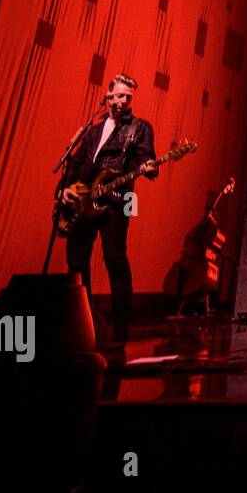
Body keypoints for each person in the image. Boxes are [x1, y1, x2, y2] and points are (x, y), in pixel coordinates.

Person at [60, 74, 158, 339]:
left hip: (119, 199)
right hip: (85, 198)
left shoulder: (140, 127)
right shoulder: (92, 130)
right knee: (77, 258)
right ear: (108, 96)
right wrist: (67, 188)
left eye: (128, 96)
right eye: (119, 95)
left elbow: (145, 157)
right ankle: (86, 316)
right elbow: (77, 162)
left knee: (115, 256)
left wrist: (148, 166)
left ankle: (122, 321)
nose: (123, 100)